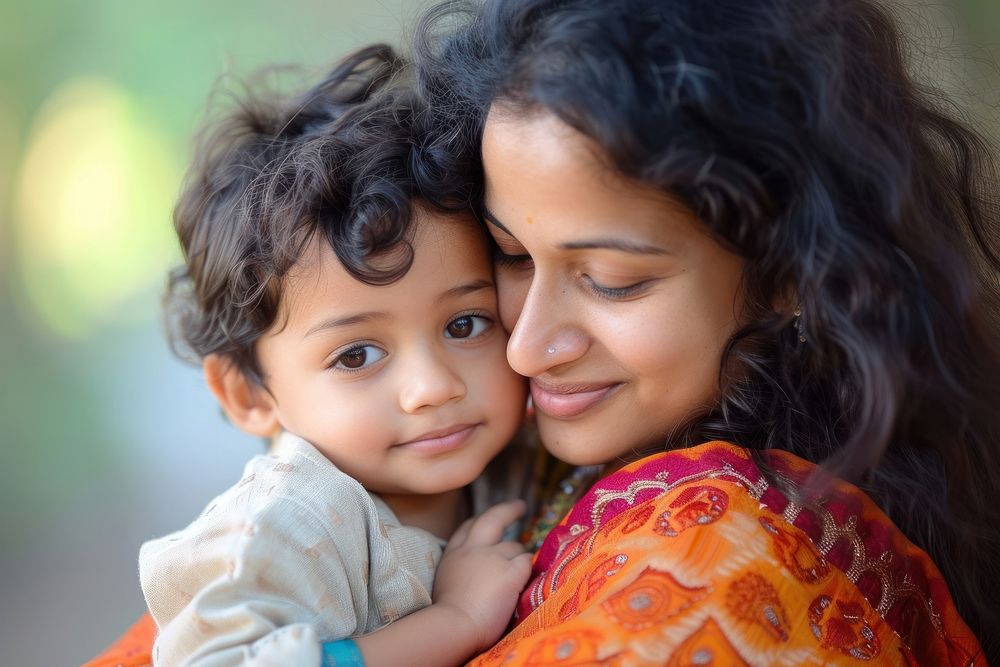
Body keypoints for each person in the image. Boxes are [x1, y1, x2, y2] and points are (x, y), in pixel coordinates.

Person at [407, 0, 1000, 664]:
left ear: (791, 272)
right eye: (511, 255)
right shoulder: (531, 452)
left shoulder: (718, 569)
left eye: (611, 277)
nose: (527, 346)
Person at [135, 44, 533, 666]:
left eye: (464, 323)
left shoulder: (522, 455)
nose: (432, 387)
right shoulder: (286, 525)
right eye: (355, 356)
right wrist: (455, 621)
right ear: (250, 394)